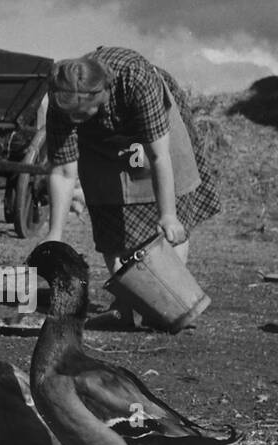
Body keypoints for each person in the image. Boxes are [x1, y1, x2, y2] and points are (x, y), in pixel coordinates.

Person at [43, 47, 221, 325]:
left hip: (156, 135)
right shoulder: (61, 97)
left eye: (80, 113)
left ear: (101, 93)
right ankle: (124, 308)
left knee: (170, 228)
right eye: (71, 115)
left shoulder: (135, 80)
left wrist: (168, 215)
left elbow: (159, 156)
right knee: (108, 216)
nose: (74, 121)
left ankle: (169, 305)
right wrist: (55, 234)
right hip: (102, 145)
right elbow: (64, 171)